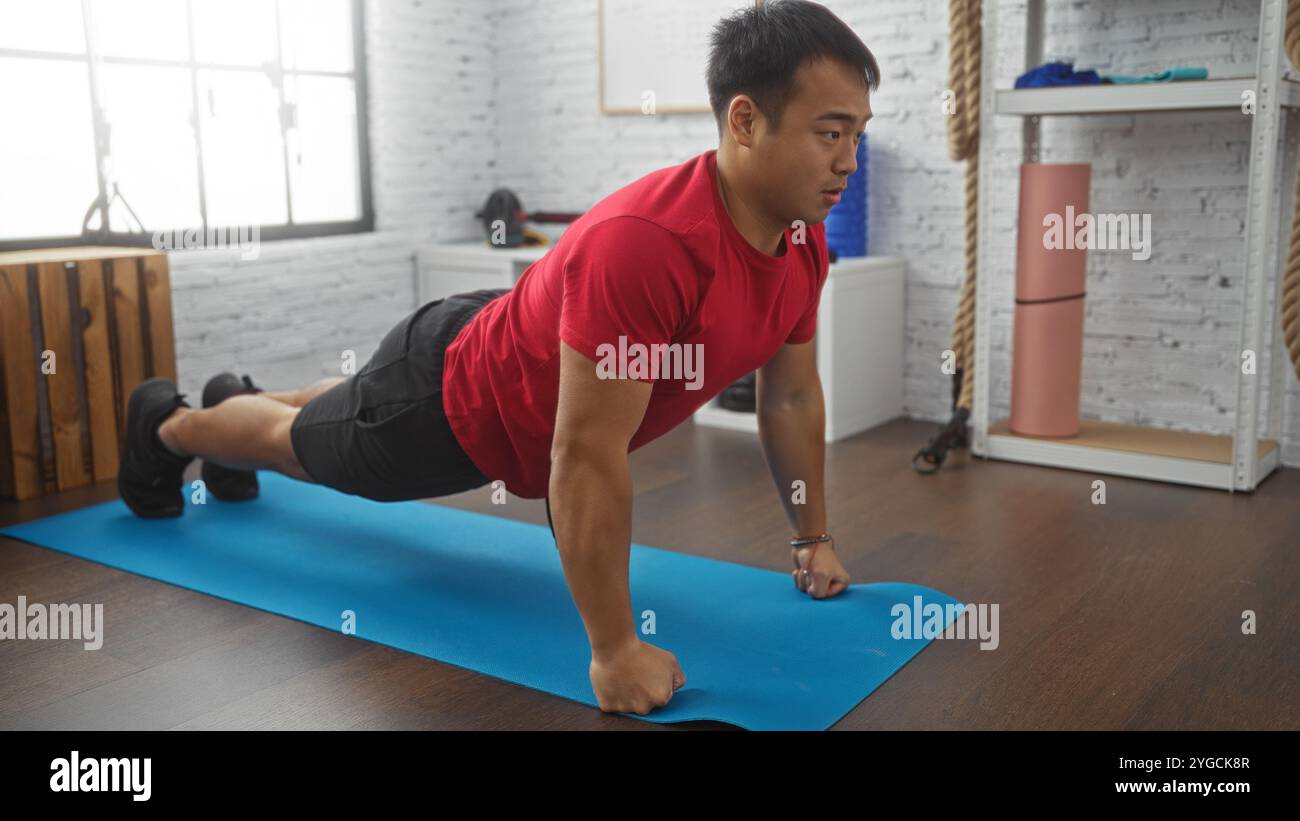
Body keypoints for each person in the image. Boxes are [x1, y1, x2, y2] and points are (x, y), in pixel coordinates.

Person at [117, 0, 878, 717]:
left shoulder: (803, 242)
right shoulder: (651, 245)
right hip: (447, 403)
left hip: (496, 333)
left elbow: (790, 398)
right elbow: (582, 453)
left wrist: (811, 538)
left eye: (858, 135)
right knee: (299, 448)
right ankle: (171, 425)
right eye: (829, 132)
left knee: (346, 400)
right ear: (745, 120)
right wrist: (614, 650)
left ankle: (234, 397)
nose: (848, 160)